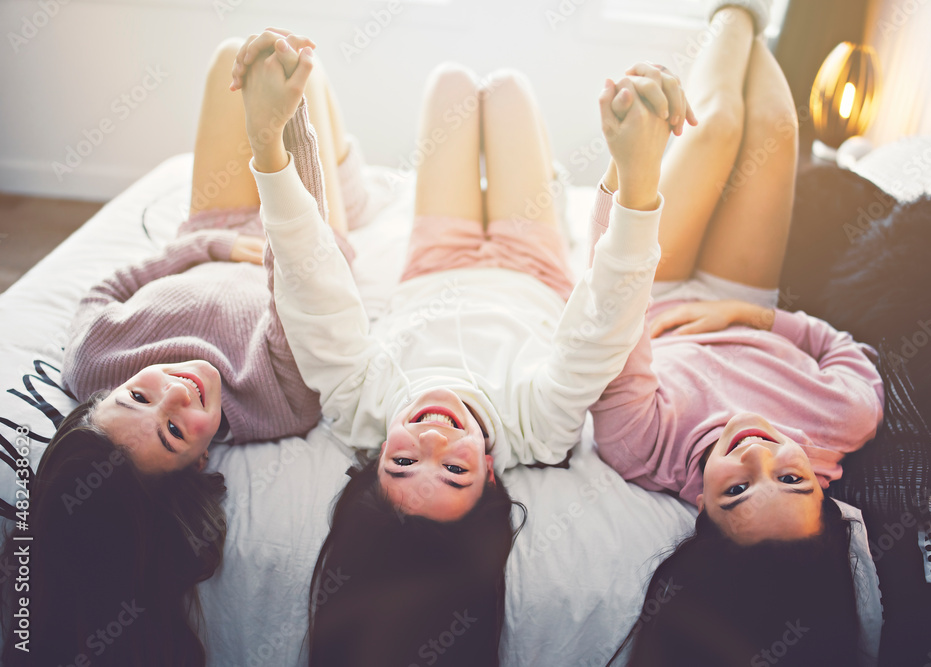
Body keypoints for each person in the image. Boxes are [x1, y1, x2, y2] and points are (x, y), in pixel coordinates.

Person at [228, 26, 693, 665]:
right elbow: (605, 321)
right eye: (454, 471)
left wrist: (267, 144)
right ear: (492, 480)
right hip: (533, 264)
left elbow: (312, 288)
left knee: (449, 82)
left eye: (401, 462)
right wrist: (637, 181)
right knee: (508, 90)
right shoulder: (538, 431)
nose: (432, 439)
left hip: (434, 257)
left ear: (374, 460)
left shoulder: (361, 409)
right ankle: (556, 186)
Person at [0, 29, 372, 666]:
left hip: (213, 226)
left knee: (235, 56)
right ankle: (347, 182)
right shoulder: (276, 404)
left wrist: (210, 246)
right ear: (200, 465)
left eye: (136, 397)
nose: (173, 389)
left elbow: (108, 287)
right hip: (301, 245)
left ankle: (349, 178)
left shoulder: (95, 360)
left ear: (101, 396)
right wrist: (277, 138)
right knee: (295, 78)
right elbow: (305, 268)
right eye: (174, 431)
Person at [590, 2, 884, 664]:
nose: (757, 452)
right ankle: (751, 21)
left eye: (737, 489)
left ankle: (734, 13)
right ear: (825, 490)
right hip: (744, 300)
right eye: (792, 479)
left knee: (720, 122)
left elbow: (610, 301)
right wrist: (751, 316)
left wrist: (624, 181)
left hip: (654, 287)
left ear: (701, 508)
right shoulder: (844, 418)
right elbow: (841, 348)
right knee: (779, 127)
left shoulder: (641, 445)